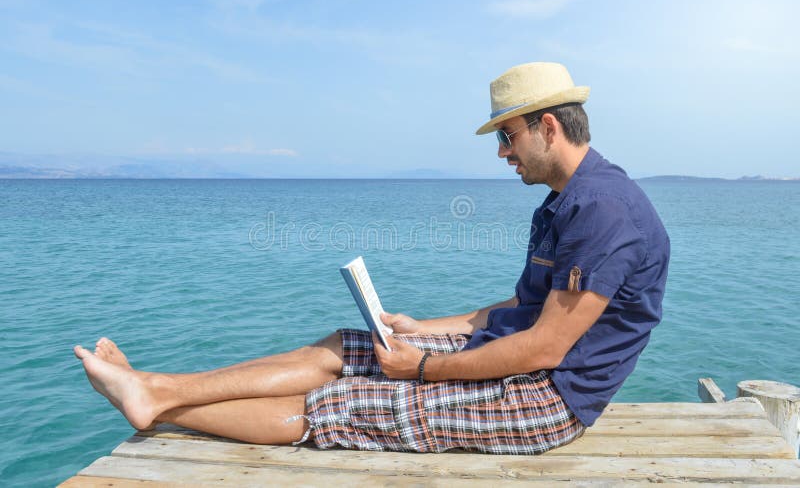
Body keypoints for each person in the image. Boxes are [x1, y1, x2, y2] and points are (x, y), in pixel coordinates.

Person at [74, 62, 669, 454]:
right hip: (514, 361)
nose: (501, 154)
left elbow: (545, 347)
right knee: (347, 345)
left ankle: (157, 406)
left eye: (506, 137)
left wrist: (422, 368)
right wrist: (418, 331)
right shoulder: (564, 201)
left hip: (546, 397)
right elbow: (521, 308)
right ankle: (157, 386)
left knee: (339, 405)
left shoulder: (605, 212)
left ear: (546, 127)